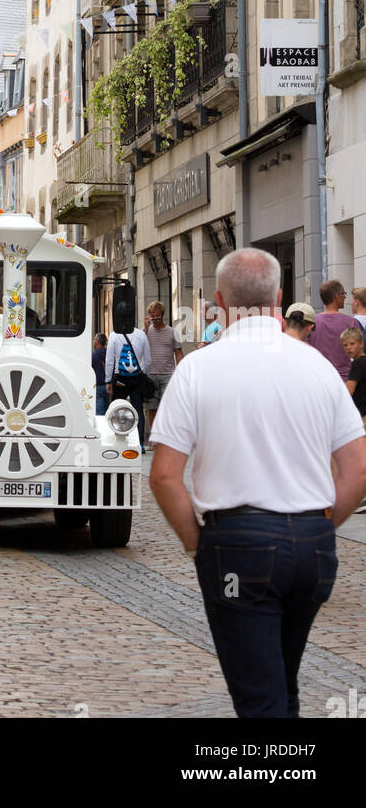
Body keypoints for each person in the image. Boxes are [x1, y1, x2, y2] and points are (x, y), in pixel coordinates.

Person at [150, 247, 366, 719]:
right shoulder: (318, 368)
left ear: (220, 302)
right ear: (281, 297)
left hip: (239, 543)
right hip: (311, 545)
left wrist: (199, 545)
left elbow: (165, 475)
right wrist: (323, 528)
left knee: (259, 698)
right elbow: (358, 469)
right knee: (279, 686)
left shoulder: (199, 368)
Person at [105, 309, 151, 449]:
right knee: (138, 409)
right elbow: (148, 360)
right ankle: (140, 443)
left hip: (120, 379)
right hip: (137, 378)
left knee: (116, 407)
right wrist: (145, 377)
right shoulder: (141, 334)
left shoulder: (113, 336)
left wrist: (108, 380)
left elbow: (109, 361)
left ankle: (117, 438)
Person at [144, 300, 183, 443]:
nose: (155, 318)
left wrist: (180, 371)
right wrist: (146, 330)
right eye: (152, 316)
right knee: (151, 408)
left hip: (168, 375)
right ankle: (154, 439)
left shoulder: (173, 332)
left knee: (167, 407)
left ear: (163, 315)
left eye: (157, 315)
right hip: (151, 375)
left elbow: (178, 352)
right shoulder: (145, 332)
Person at [308, 279, 362, 382]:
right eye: (343, 293)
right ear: (336, 297)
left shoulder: (311, 323)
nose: (345, 297)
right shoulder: (351, 323)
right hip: (345, 380)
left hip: (319, 379)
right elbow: (358, 356)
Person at [342, 326, 366, 420]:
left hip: (361, 415)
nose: (348, 348)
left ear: (361, 344)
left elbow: (348, 392)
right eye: (345, 345)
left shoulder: (357, 364)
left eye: (352, 344)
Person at [91, 333, 108, 415]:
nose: (93, 341)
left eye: (94, 339)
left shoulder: (93, 355)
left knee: (99, 413)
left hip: (98, 387)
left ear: (97, 342)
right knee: (109, 411)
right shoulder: (109, 354)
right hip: (109, 386)